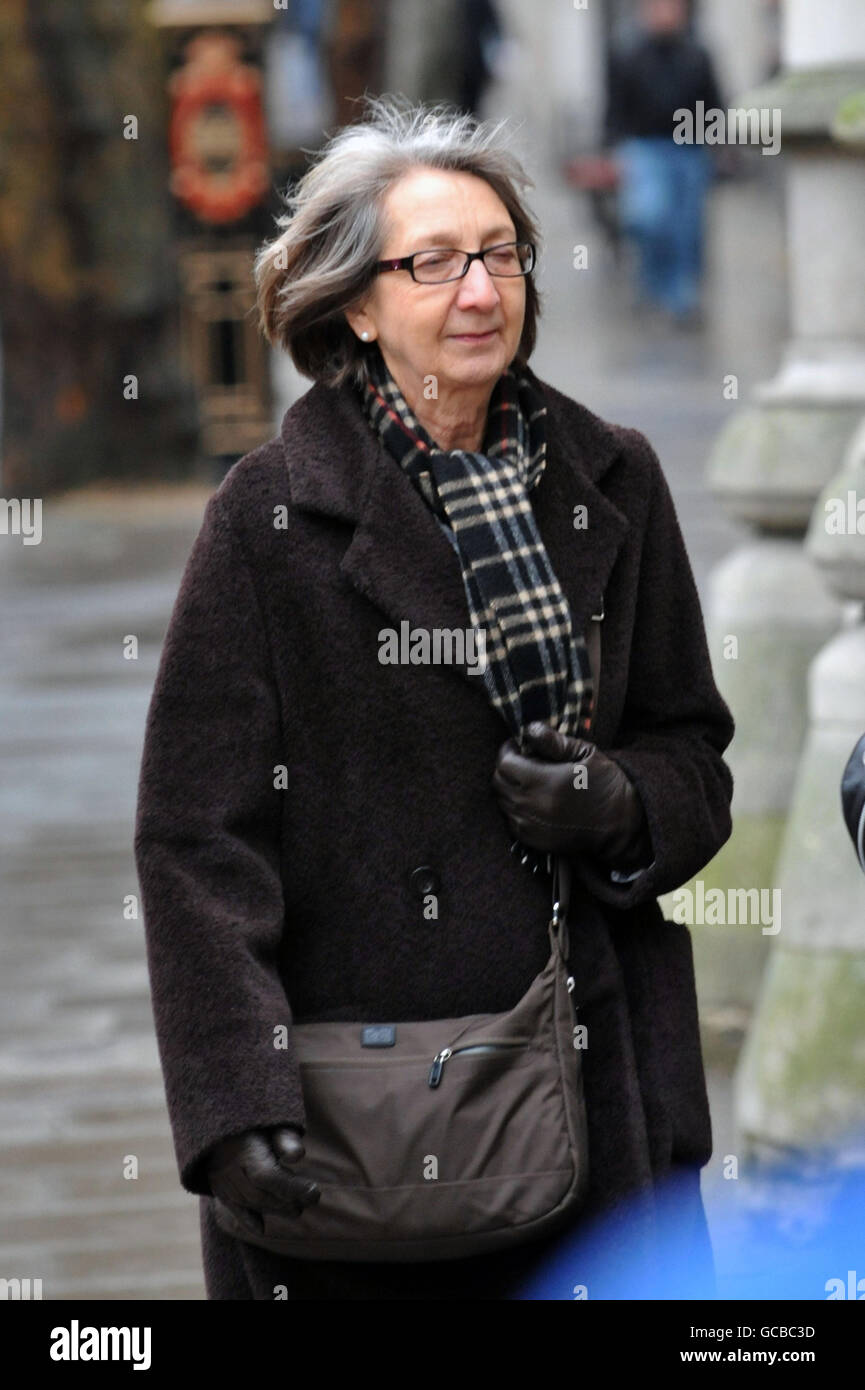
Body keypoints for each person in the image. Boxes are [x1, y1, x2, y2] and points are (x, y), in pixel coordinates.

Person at [134, 95, 735, 1301]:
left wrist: (621, 803)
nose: (479, 290)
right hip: (363, 1135)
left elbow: (694, 749)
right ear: (358, 301)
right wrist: (232, 1103)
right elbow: (198, 843)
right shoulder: (267, 519)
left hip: (595, 1095)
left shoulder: (613, 475)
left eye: (501, 254)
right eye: (434, 263)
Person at [604, 0, 724, 326]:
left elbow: (713, 104)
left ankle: (681, 295)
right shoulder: (629, 55)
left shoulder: (697, 56)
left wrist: (716, 142)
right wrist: (614, 149)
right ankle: (653, 286)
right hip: (646, 149)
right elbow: (616, 108)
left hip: (689, 150)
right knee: (651, 218)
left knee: (686, 228)